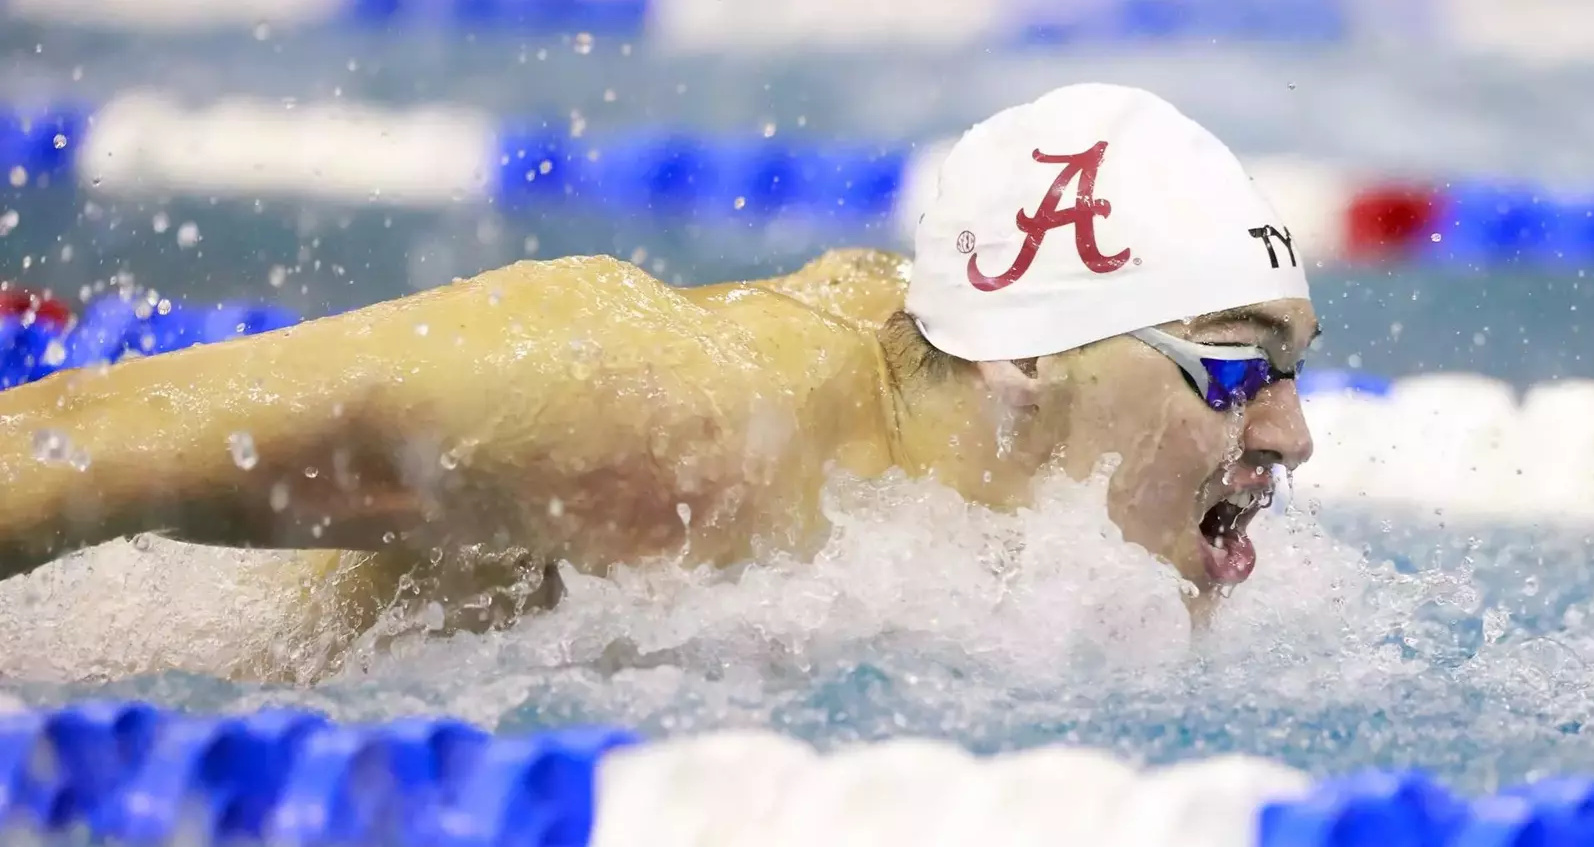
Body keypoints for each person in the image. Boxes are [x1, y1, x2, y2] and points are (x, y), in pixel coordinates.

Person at [0, 83, 1317, 681]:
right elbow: (77, 436)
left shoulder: (986, 490)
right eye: (1240, 369)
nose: (1296, 435)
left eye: (1295, 372)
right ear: (1026, 355)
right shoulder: (651, 408)